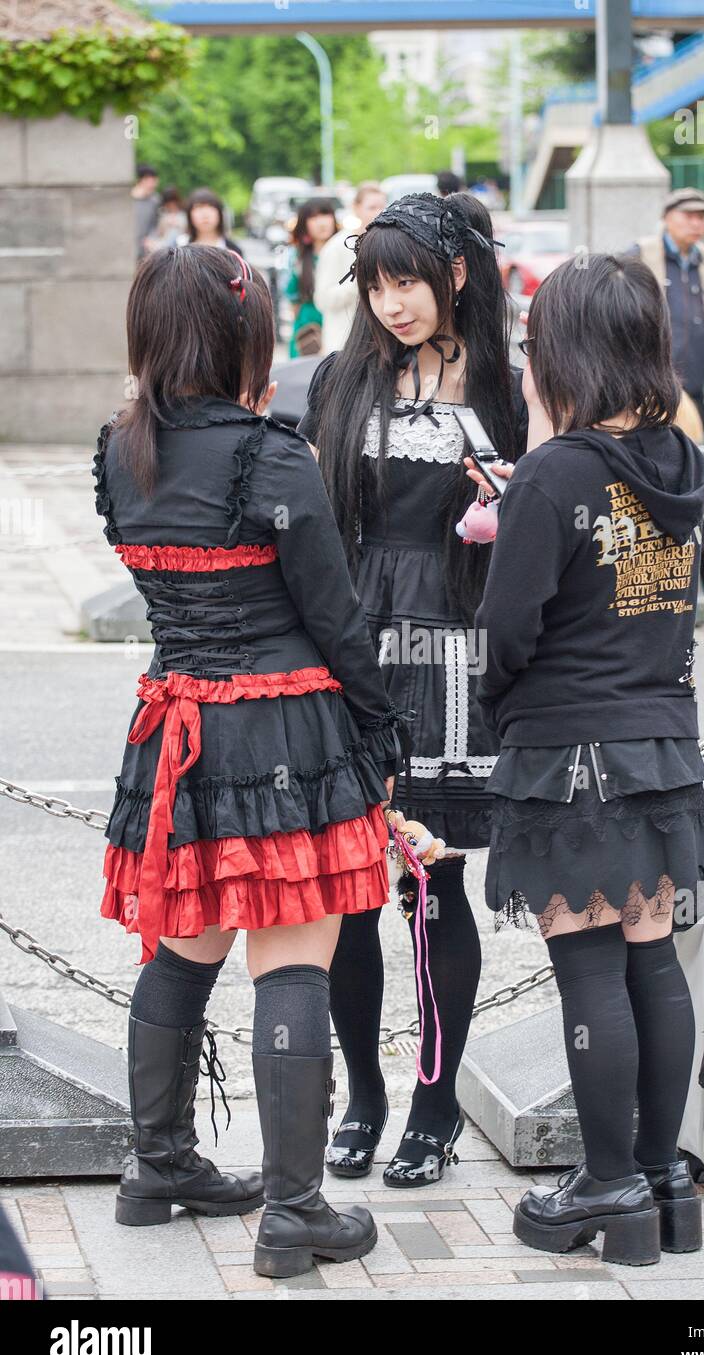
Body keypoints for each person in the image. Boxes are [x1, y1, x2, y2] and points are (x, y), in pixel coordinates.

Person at [93, 243, 410, 1279]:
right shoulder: (270, 455)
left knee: (181, 949)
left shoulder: (116, 453)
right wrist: (378, 732)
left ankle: (158, 1167)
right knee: (290, 960)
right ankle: (295, 1209)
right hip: (286, 732)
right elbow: (334, 615)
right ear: (246, 337)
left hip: (177, 728)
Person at [473, 252, 704, 1266]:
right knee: (651, 956)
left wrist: (499, 706)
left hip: (571, 753)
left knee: (586, 967)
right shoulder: (678, 464)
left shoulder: (557, 470)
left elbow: (505, 626)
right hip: (659, 744)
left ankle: (606, 1184)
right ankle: (659, 1182)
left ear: (559, 353)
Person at [296, 191, 527, 1186]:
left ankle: (432, 1104)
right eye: (377, 283)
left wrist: (508, 504)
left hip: (456, 655)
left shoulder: (507, 390)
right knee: (350, 890)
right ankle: (365, 1094)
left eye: (409, 281)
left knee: (434, 885)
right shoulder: (340, 381)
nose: (392, 302)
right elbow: (308, 523)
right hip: (352, 652)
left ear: (457, 277)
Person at [626, 188, 704, 427]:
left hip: (697, 371)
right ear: (667, 217)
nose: (696, 223)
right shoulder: (642, 253)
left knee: (695, 441)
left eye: (701, 217)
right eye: (688, 216)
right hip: (653, 374)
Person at [313, 183, 387, 353]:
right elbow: (322, 299)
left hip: (379, 344)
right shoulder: (338, 246)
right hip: (344, 344)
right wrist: (361, 284)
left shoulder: (386, 245)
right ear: (356, 208)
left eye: (383, 206)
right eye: (372, 207)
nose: (379, 212)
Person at [285, 198, 339, 357]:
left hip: (338, 323)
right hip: (308, 327)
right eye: (314, 217)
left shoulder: (346, 251)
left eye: (326, 215)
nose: (322, 222)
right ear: (305, 223)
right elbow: (293, 298)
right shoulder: (298, 257)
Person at [175, 187, 243, 254]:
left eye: (211, 207)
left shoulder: (233, 251)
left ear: (219, 213)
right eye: (198, 207)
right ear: (189, 214)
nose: (205, 214)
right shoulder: (179, 247)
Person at [132, 164, 160, 260]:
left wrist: (151, 237)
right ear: (142, 180)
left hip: (145, 249)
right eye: (151, 180)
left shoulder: (155, 200)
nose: (154, 184)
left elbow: (155, 223)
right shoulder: (127, 200)